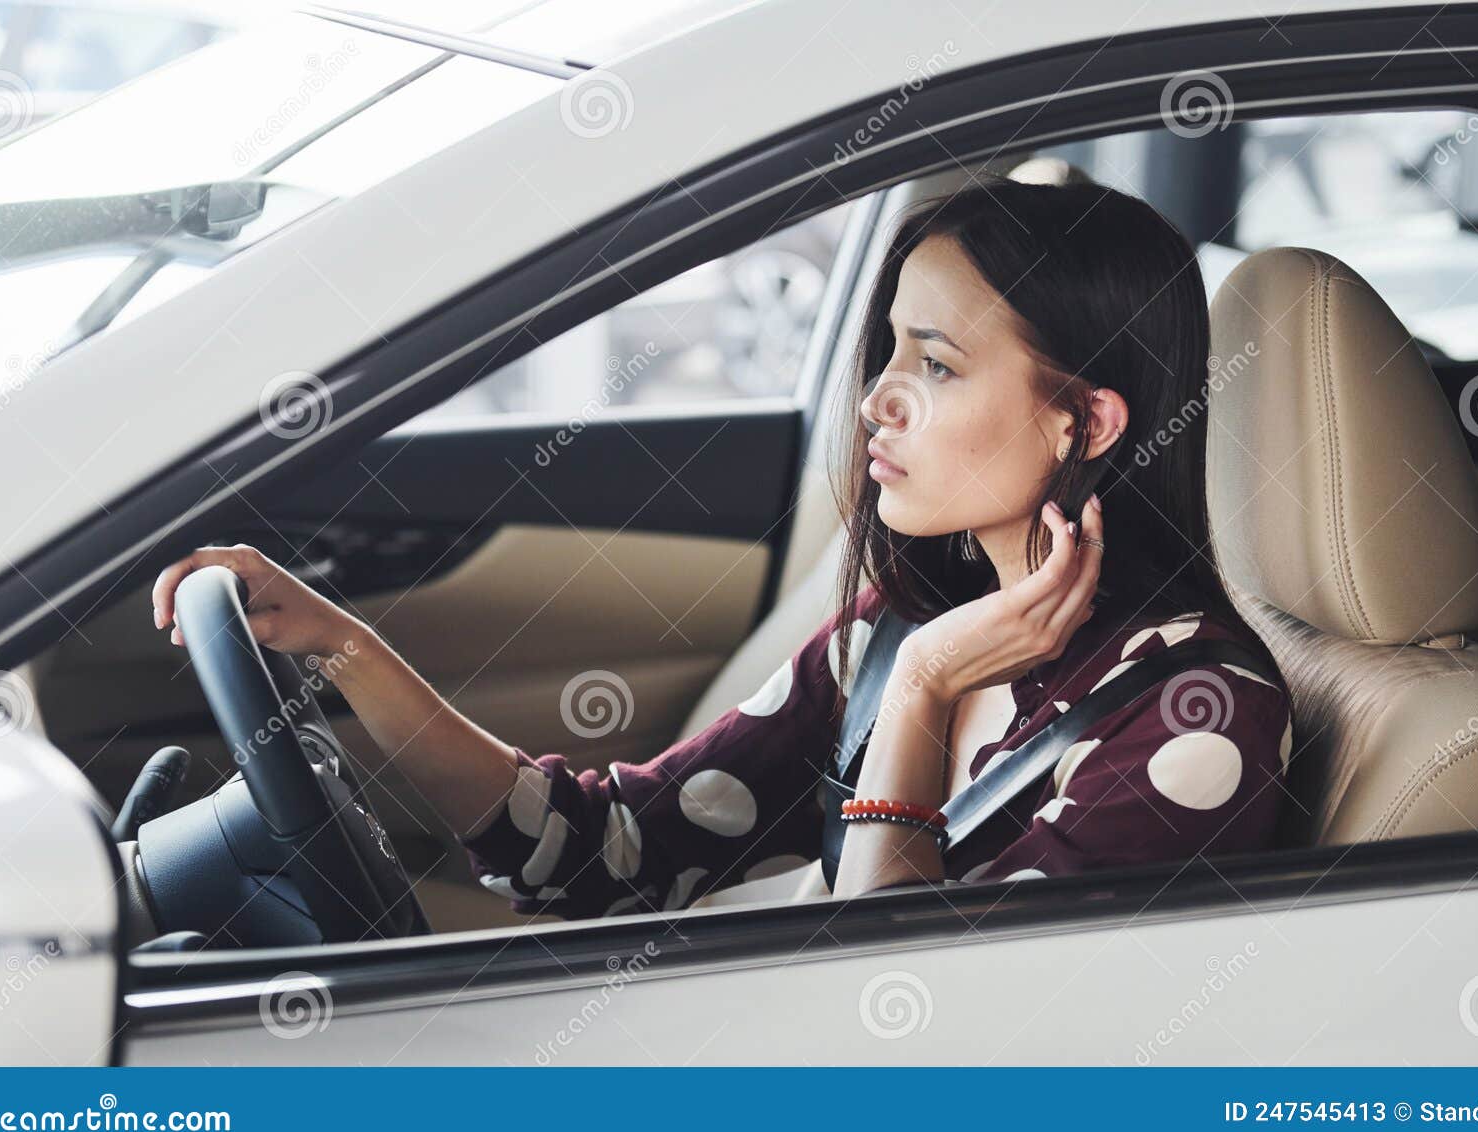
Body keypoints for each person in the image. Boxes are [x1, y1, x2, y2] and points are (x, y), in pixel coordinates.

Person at [150, 176, 1293, 921]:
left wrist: (925, 695)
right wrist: (344, 647)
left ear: (1084, 422)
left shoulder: (1195, 715)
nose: (877, 400)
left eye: (936, 365)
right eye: (889, 350)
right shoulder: (898, 629)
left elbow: (909, 1024)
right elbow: (607, 851)